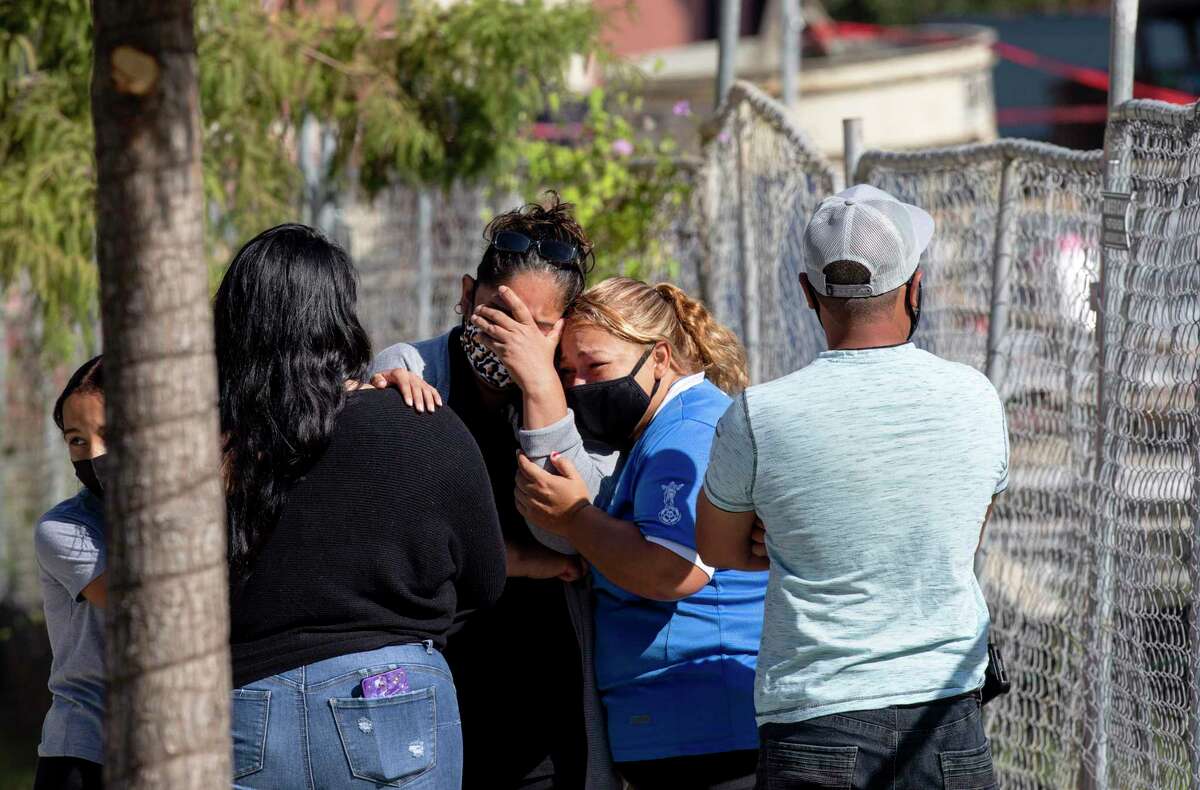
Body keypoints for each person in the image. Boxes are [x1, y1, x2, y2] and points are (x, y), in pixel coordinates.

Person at [695, 185, 1009, 789]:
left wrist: (796, 538)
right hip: (945, 715)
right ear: (915, 287)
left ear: (807, 291)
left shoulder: (759, 414)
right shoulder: (975, 397)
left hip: (814, 718)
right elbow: (965, 532)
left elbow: (715, 546)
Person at [218, 224, 506, 789]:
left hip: (247, 708)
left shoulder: (211, 449)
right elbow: (487, 582)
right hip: (394, 697)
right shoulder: (423, 424)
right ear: (342, 319)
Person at [368, 195, 621, 790]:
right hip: (433, 685)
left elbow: (573, 524)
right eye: (496, 314)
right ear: (465, 297)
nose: (512, 339)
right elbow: (408, 544)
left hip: (543, 693)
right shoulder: (412, 373)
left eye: (537, 327)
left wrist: (540, 389)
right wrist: (531, 562)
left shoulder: (578, 388)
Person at [480, 276, 767, 790]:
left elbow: (673, 569)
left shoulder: (689, 432)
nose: (581, 385)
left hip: (705, 728)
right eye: (568, 372)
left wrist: (572, 519)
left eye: (596, 366)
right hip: (678, 729)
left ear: (658, 358)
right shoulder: (659, 429)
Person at [34, 355, 109, 790]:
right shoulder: (63, 529)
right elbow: (140, 607)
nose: (94, 454)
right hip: (84, 755)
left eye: (108, 434)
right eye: (77, 440)